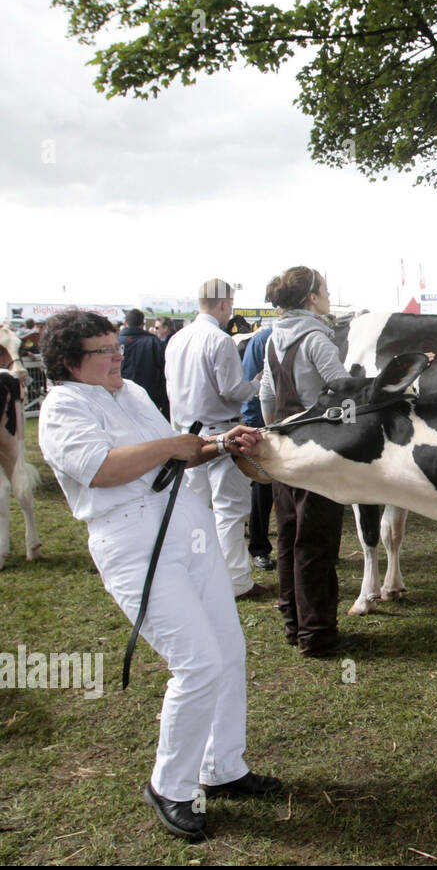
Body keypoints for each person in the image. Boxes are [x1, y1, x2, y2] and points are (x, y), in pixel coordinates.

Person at [37, 310, 280, 841]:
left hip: (186, 526)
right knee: (197, 662)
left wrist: (218, 445)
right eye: (104, 349)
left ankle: (224, 768)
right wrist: (173, 445)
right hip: (131, 540)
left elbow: (174, 456)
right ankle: (170, 784)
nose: (117, 354)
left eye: (112, 345)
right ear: (70, 362)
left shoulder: (132, 394)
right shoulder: (62, 408)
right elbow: (100, 468)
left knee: (228, 649)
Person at [259, 266, 353, 656]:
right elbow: (343, 387)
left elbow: (266, 394)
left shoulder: (272, 339)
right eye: (326, 291)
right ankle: (316, 633)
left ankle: (293, 623)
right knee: (315, 541)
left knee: (288, 537)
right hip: (316, 452)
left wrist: (275, 435)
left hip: (284, 448)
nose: (330, 297)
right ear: (312, 297)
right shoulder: (317, 338)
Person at [165, 279, 270, 601]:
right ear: (224, 304)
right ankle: (237, 581)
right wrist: (255, 384)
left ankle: (197, 572)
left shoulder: (176, 339)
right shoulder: (219, 340)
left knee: (195, 508)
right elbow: (231, 389)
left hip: (186, 431)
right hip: (220, 432)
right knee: (230, 509)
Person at [242, 319, 275, 572]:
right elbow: (252, 382)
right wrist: (256, 426)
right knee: (264, 486)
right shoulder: (262, 340)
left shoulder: (316, 335)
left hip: (300, 425)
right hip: (267, 425)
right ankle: (259, 548)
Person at [116, 308, 169, 418]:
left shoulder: (115, 343)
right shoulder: (154, 342)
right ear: (143, 324)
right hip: (150, 401)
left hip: (120, 399)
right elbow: (165, 373)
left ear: (125, 323)